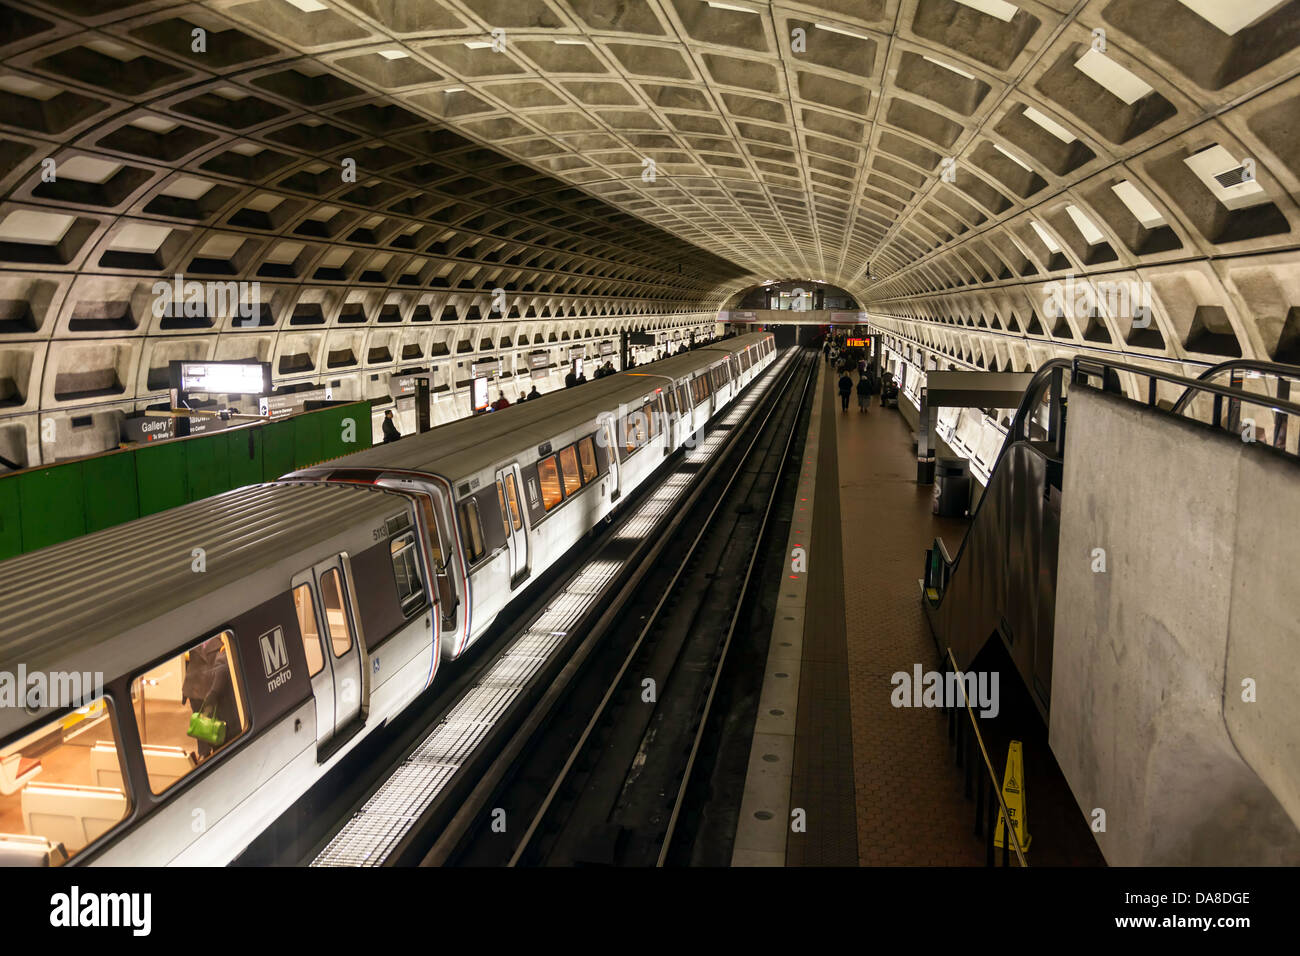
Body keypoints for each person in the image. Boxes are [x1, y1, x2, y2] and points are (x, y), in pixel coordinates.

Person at [182, 636, 239, 760]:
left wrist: (214, 691)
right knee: (200, 724)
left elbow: (222, 668)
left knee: (213, 725)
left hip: (212, 689)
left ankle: (213, 754)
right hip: (195, 690)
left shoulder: (222, 640)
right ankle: (204, 754)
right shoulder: (194, 637)